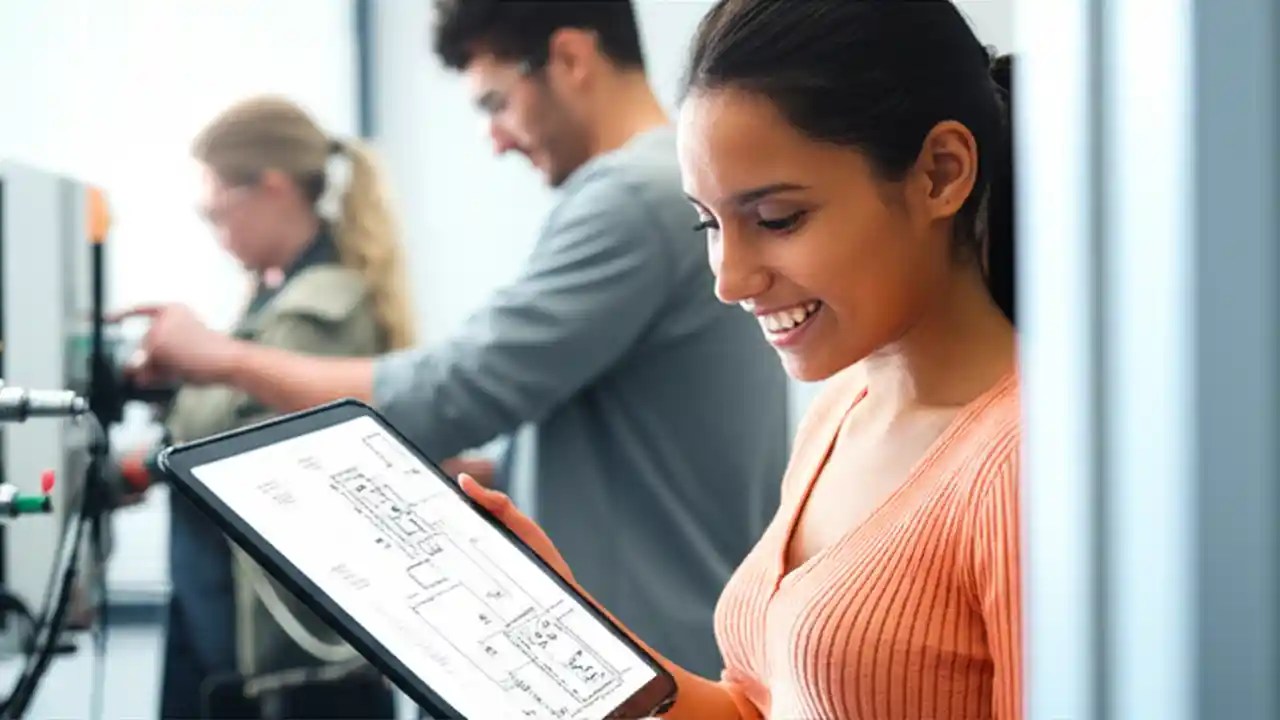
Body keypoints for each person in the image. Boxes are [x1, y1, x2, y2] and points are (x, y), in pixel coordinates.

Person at [115, 0, 789, 679]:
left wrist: (222, 359)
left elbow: (448, 392)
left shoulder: (632, 200)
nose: (495, 138)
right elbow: (612, 438)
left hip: (650, 650)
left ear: (571, 59)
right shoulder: (651, 189)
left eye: (496, 102)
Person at [459, 1, 1024, 718]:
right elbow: (753, 709)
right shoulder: (842, 412)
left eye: (776, 220)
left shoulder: (1020, 467)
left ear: (942, 172)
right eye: (709, 223)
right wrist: (561, 624)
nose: (729, 279)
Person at [127, 96, 413, 719]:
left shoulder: (322, 308)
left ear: (273, 188)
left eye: (216, 212)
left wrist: (193, 363)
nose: (217, 233)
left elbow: (246, 441)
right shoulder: (273, 303)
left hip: (295, 676)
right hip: (233, 645)